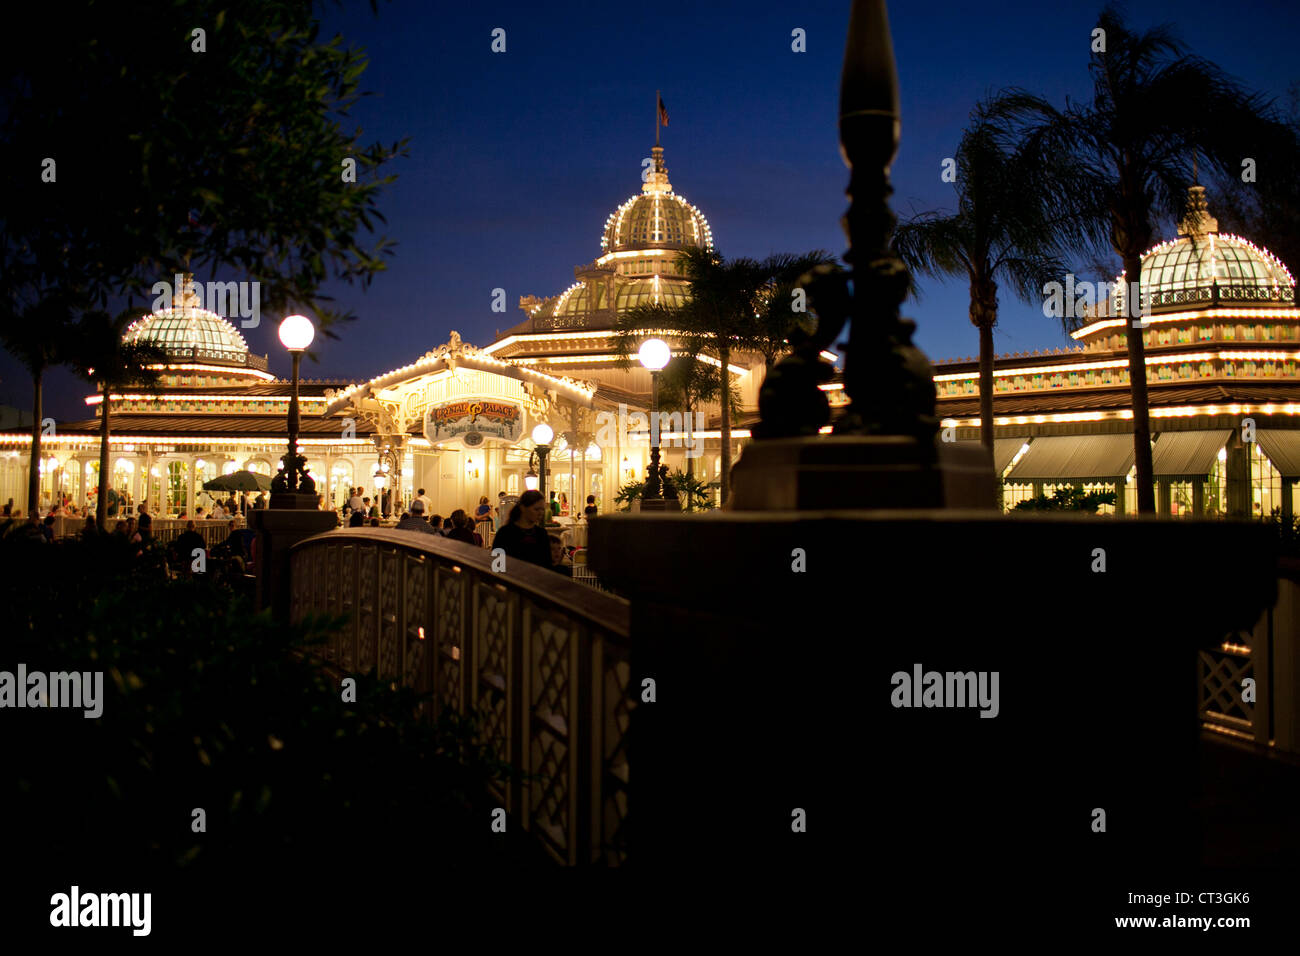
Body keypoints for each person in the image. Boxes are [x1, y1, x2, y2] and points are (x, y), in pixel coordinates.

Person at [492, 490, 552, 569]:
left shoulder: (541, 533)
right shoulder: (505, 533)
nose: (541, 513)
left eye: (542, 509)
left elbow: (546, 565)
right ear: (523, 508)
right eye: (536, 509)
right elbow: (498, 566)